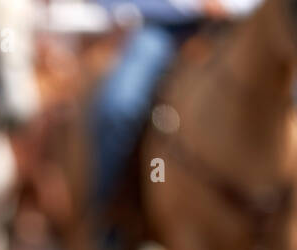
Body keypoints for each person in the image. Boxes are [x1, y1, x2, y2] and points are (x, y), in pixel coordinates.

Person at [88, 0, 259, 214]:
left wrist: (233, 7)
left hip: (242, 31)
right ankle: (106, 210)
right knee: (120, 107)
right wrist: (195, 5)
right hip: (164, 28)